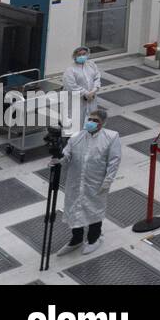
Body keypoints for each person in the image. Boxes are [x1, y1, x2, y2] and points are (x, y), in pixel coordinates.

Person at [60, 106, 122, 255]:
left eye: (96, 121)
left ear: (103, 123)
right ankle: (76, 239)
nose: (91, 123)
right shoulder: (77, 137)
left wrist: (107, 181)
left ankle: (94, 239)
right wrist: (59, 159)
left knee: (94, 210)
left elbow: (114, 161)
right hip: (75, 181)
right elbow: (67, 154)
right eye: (90, 119)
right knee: (75, 208)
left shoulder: (111, 137)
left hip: (96, 181)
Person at [61, 46, 102, 128]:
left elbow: (97, 77)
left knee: (91, 119)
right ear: (74, 56)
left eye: (84, 54)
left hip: (91, 99)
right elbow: (71, 86)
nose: (82, 56)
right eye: (79, 55)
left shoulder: (91, 65)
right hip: (76, 100)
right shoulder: (70, 70)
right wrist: (86, 93)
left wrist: (94, 90)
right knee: (76, 122)